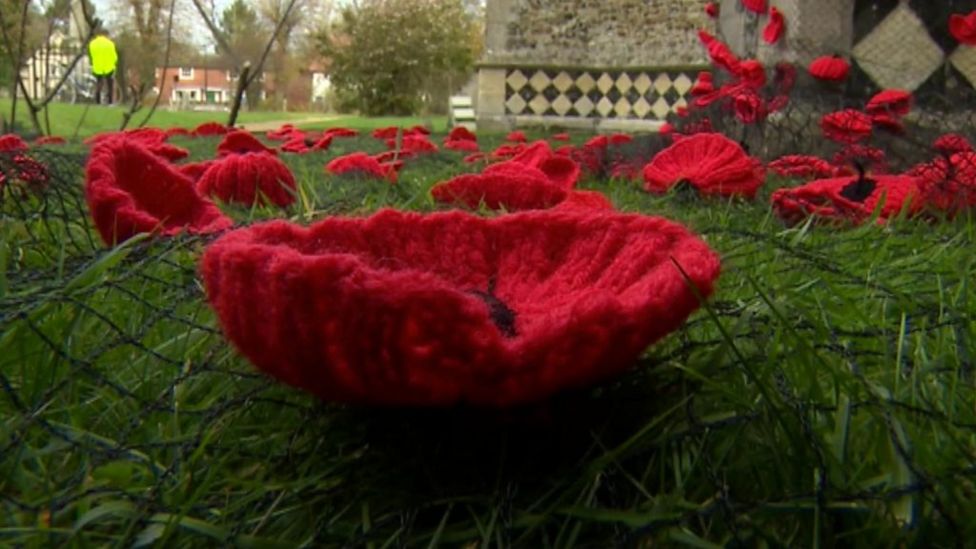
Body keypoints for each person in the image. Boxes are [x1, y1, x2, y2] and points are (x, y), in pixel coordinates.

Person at [88, 30, 118, 105]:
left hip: (97, 66)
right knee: (110, 84)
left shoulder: (93, 43)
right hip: (109, 66)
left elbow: (91, 55)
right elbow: (114, 56)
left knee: (99, 83)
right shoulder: (110, 44)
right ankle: (110, 101)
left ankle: (97, 100)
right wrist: (114, 63)